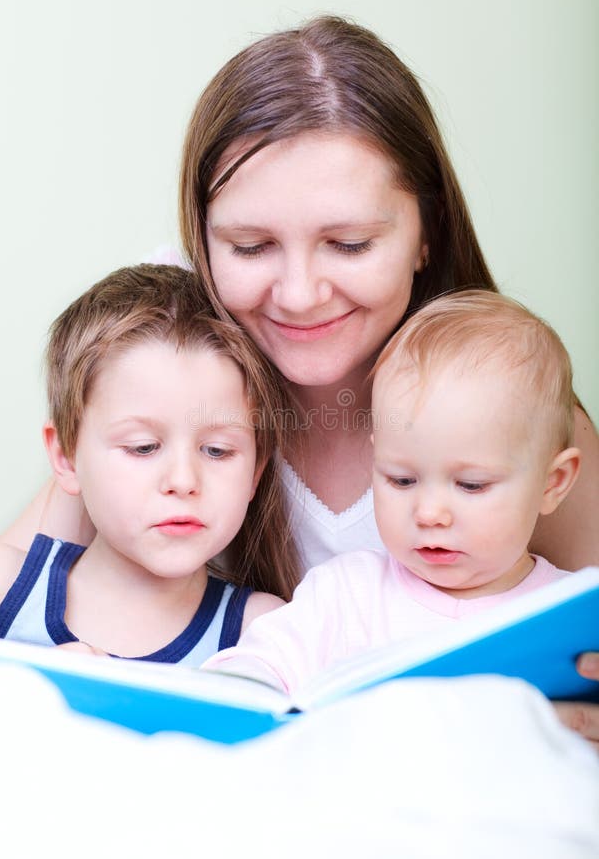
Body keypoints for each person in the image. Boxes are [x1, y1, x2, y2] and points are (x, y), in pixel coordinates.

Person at [3, 16, 599, 733]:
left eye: (348, 244)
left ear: (426, 233)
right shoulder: (187, 356)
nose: (299, 294)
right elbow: (35, 559)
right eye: (251, 247)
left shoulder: (501, 400)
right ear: (203, 240)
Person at [202, 291, 585, 692]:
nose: (430, 513)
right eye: (401, 480)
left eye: (471, 485)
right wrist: (245, 684)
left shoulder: (570, 615)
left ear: (553, 483)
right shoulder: (346, 594)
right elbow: (258, 663)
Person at [0, 264, 300, 663]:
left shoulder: (261, 634)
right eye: (143, 447)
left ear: (256, 471)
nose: (183, 481)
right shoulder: (7, 584)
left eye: (217, 451)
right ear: (66, 457)